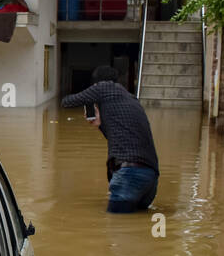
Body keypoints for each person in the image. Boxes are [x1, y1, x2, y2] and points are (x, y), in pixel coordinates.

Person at [61, 65, 160, 213]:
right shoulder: (131, 98)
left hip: (129, 175)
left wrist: (89, 99)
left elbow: (66, 102)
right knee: (137, 227)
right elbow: (118, 137)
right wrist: (100, 124)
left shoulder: (102, 87)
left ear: (96, 83)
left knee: (116, 226)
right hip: (151, 176)